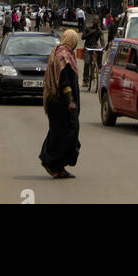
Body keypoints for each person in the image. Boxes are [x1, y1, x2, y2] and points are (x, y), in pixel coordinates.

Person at [39, 30, 81, 179]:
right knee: (67, 133)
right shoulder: (63, 57)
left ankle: (59, 167)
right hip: (61, 103)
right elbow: (64, 81)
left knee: (60, 133)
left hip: (59, 103)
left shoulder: (62, 52)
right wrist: (70, 101)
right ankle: (50, 162)